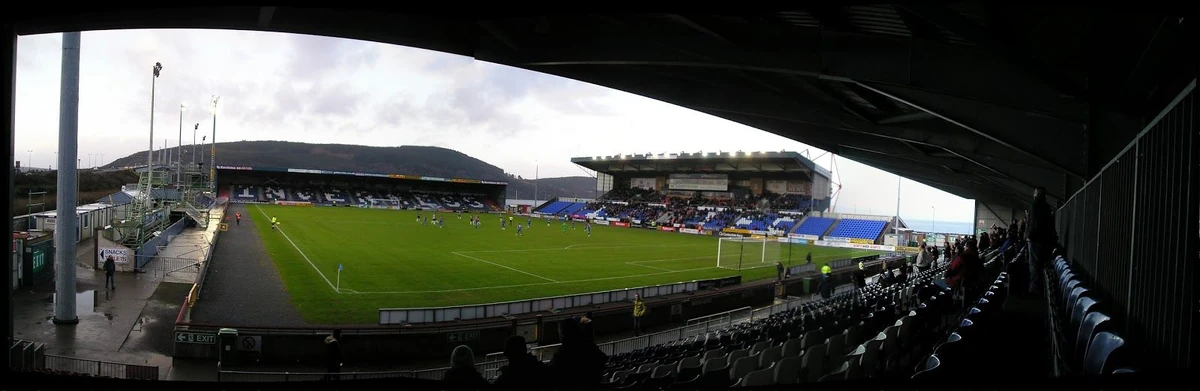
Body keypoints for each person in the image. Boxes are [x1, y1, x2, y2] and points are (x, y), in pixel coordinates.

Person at [1027, 186, 1058, 295]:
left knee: (1034, 265)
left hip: (1036, 240)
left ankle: (1034, 289)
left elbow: (1034, 223)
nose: (1033, 194)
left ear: (1037, 194)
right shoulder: (1046, 206)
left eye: (1035, 192)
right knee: (1041, 264)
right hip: (1045, 240)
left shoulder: (1035, 206)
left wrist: (1029, 236)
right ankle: (1039, 289)